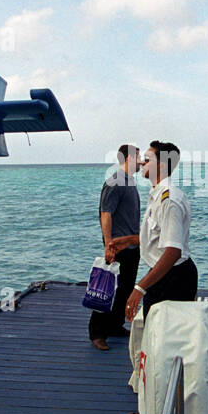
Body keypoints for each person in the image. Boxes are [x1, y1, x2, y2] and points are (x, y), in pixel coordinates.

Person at [122, 141, 208, 414]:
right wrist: (128, 241)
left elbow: (172, 251)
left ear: (161, 164)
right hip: (163, 275)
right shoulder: (157, 195)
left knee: (175, 346)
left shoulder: (170, 199)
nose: (141, 164)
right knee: (160, 345)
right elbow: (159, 241)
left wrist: (139, 288)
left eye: (146, 159)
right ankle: (151, 406)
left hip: (172, 278)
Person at [89, 144, 141, 351]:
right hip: (117, 246)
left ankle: (115, 325)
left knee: (126, 289)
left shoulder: (130, 180)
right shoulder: (115, 180)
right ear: (128, 158)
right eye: (138, 157)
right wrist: (108, 244)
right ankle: (97, 333)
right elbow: (106, 213)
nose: (141, 161)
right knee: (106, 289)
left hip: (131, 246)